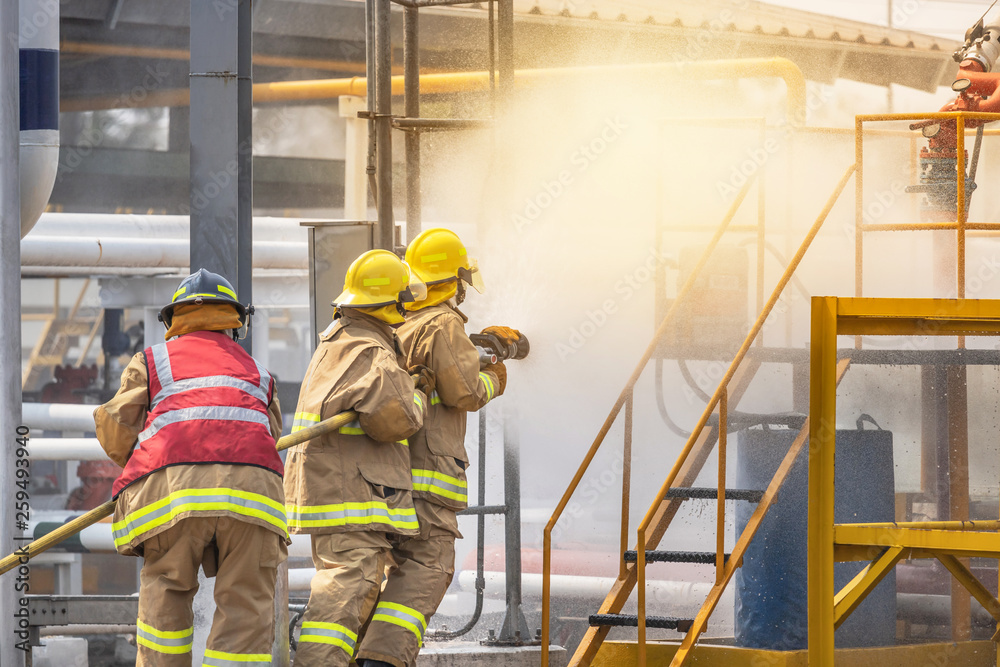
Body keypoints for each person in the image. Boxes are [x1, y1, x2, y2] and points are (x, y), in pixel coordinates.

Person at [94, 268, 287, 667]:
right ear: (236, 321)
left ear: (173, 319)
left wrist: (149, 461)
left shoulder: (151, 361)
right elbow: (271, 437)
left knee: (166, 595)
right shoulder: (259, 374)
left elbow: (114, 428)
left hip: (173, 498)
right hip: (252, 499)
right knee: (246, 607)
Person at [356, 228, 516, 667]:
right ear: (456, 279)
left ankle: (362, 653)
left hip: (386, 475)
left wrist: (475, 347)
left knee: (388, 572)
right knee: (428, 567)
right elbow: (465, 392)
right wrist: (494, 378)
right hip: (429, 476)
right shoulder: (444, 322)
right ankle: (381, 661)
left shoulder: (396, 321)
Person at [286, 249, 431, 667]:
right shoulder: (370, 350)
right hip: (351, 495)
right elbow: (397, 421)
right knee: (346, 593)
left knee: (350, 592)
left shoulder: (341, 341)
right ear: (392, 302)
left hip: (338, 489)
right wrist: (417, 393)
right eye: (403, 300)